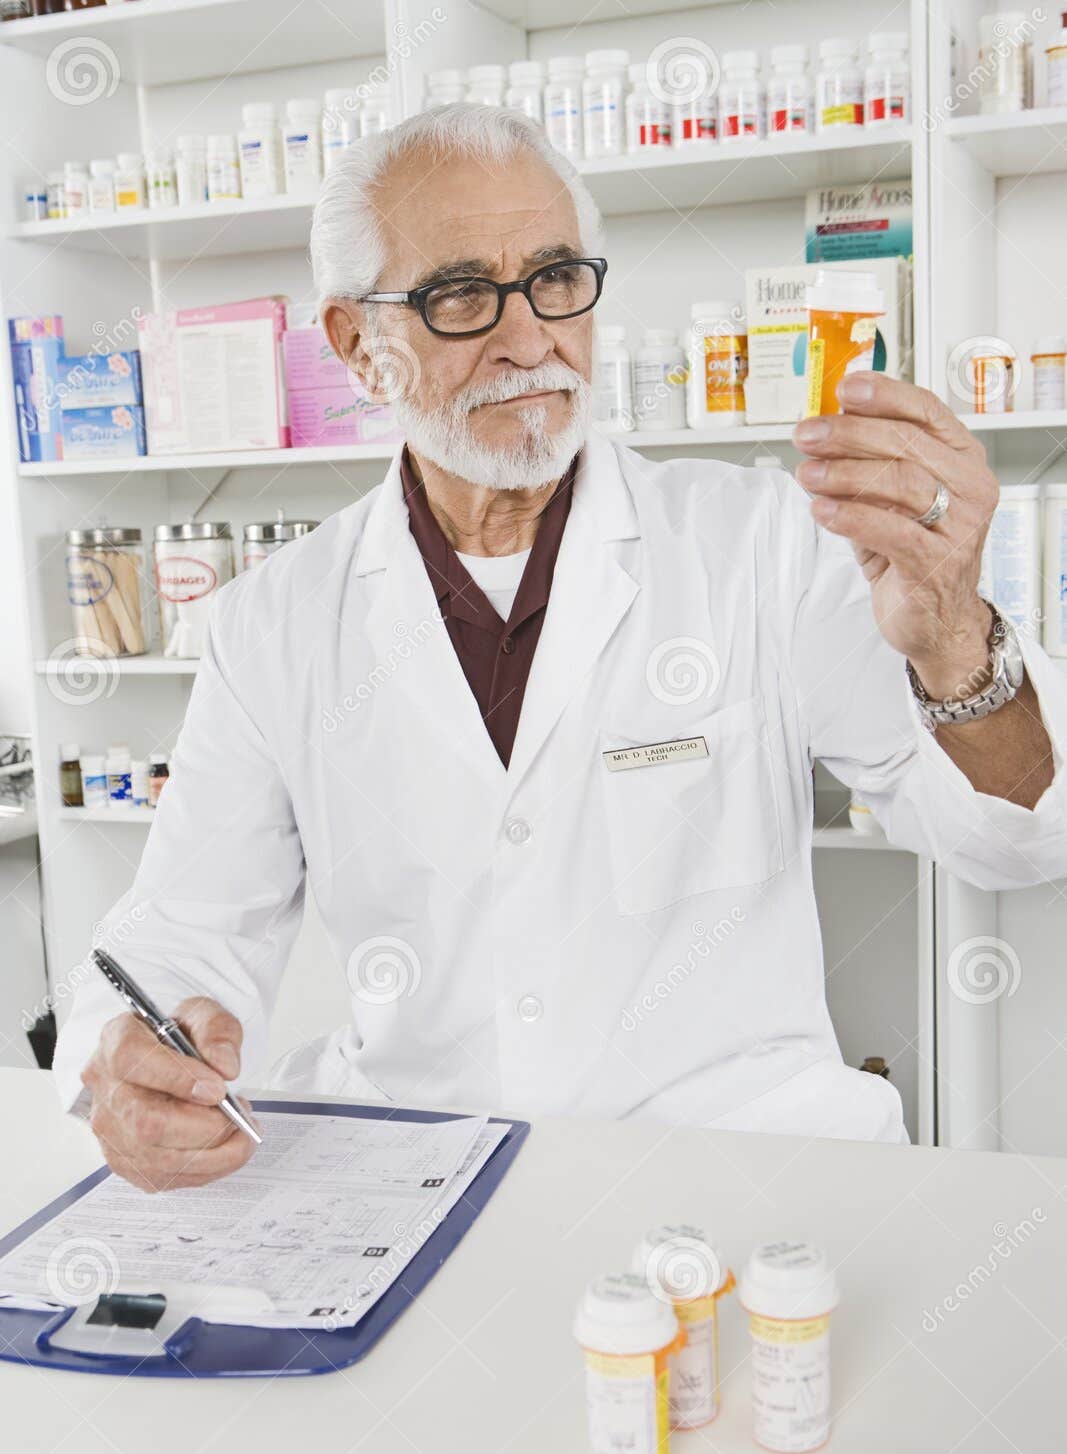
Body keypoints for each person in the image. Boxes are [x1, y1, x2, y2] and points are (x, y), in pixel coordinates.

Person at [54, 105, 1067, 1189]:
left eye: (553, 278)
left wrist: (956, 638)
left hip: (735, 1169)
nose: (527, 337)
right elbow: (181, 930)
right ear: (356, 345)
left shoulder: (759, 544)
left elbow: (1014, 845)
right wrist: (126, 1060)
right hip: (419, 1175)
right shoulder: (274, 624)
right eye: (457, 295)